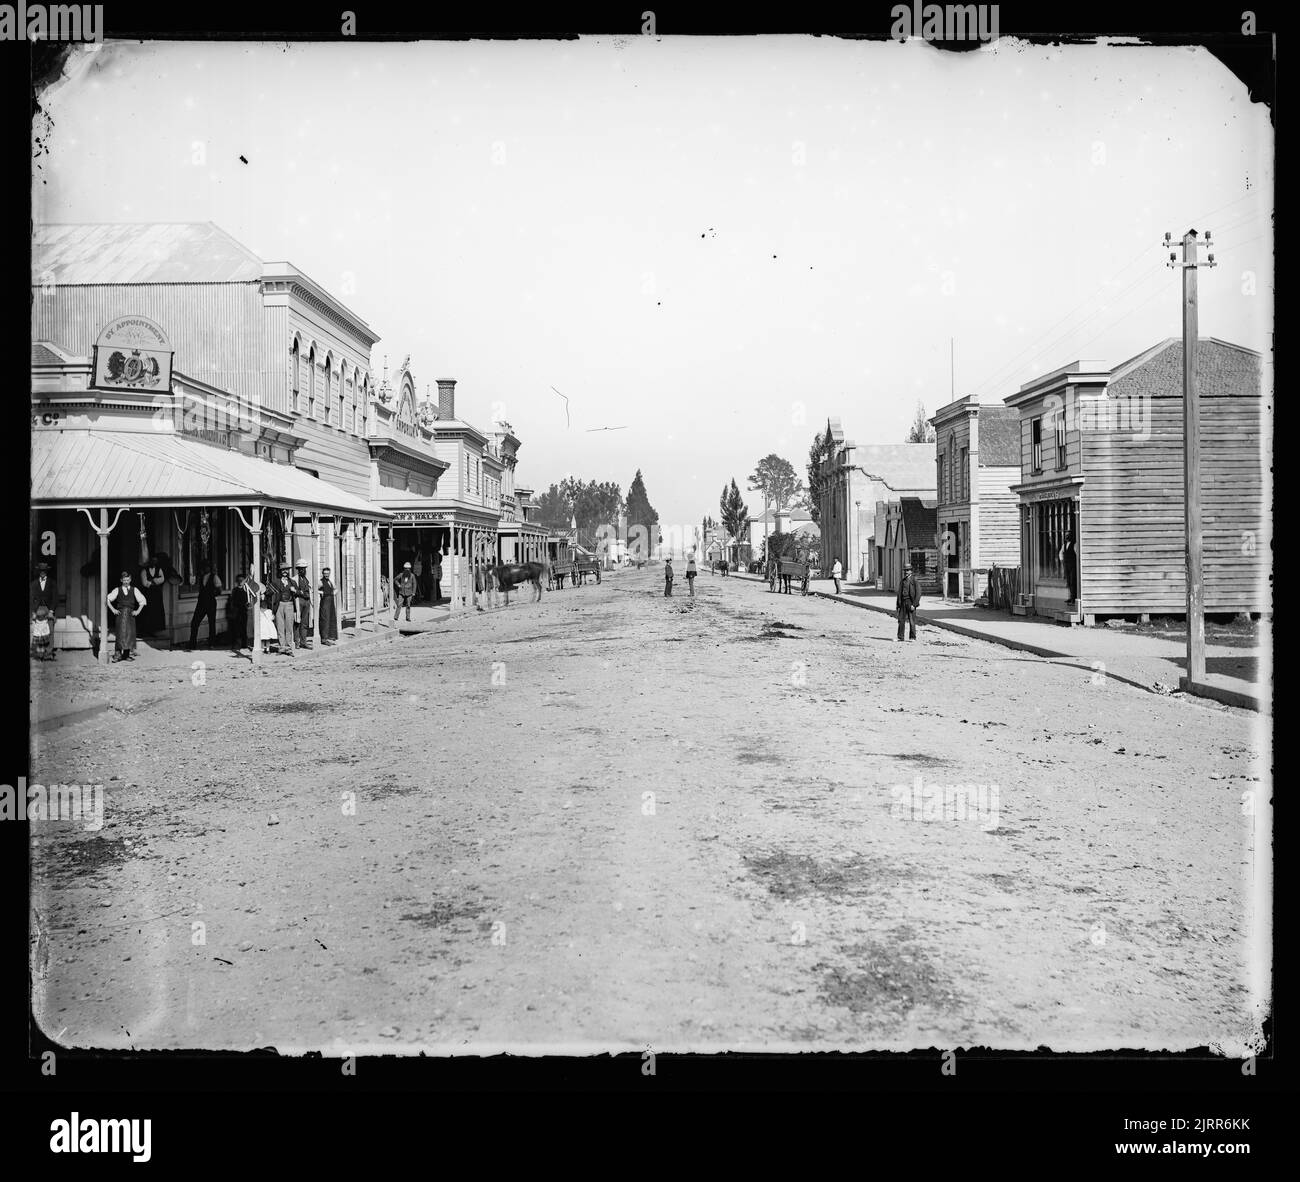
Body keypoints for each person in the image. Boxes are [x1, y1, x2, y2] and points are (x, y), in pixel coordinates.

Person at [106, 571, 147, 661]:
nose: (126, 582)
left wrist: (137, 611)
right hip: (120, 615)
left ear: (130, 580)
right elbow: (108, 599)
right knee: (120, 635)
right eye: (124, 580)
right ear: (121, 580)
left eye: (128, 580)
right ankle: (117, 655)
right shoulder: (117, 590)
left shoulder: (134, 590)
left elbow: (142, 601)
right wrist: (113, 610)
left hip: (130, 615)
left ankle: (126, 655)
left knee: (129, 634)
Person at [188, 562, 223, 650]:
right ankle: (192, 643)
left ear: (209, 568)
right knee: (195, 622)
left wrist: (212, 595)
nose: (205, 569)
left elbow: (219, 589)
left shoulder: (214, 576)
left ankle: (212, 643)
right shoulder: (200, 577)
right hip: (201, 602)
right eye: (204, 567)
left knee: (211, 623)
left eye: (206, 567)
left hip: (210, 602)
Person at [137, 554, 168, 635]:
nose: (153, 563)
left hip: (157, 594)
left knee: (156, 611)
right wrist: (151, 583)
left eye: (155, 561)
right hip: (147, 593)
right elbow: (144, 582)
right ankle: (145, 630)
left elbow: (162, 579)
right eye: (152, 561)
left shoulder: (159, 569)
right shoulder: (144, 570)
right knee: (147, 610)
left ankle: (154, 630)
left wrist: (154, 581)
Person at [273, 565, 299, 656]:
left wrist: (295, 590)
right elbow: (270, 593)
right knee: (280, 627)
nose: (285, 571)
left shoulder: (292, 582)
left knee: (289, 627)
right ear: (280, 571)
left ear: (288, 571)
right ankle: (281, 647)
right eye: (283, 570)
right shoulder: (276, 582)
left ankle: (288, 648)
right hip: (279, 604)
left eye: (286, 570)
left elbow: (299, 593)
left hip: (289, 604)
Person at [896, 561, 921, 642]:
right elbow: (899, 593)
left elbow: (918, 593)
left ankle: (912, 637)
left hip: (911, 602)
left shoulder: (914, 580)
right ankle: (900, 637)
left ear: (911, 571)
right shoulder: (903, 581)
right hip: (903, 602)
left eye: (907, 570)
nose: (906, 572)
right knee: (901, 620)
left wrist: (914, 604)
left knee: (912, 621)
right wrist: (898, 604)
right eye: (905, 570)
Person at [293, 560, 314, 648]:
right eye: (301, 569)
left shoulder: (306, 579)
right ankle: (297, 642)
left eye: (304, 569)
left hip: (306, 602)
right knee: (297, 622)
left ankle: (303, 641)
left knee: (305, 622)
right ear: (298, 569)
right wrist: (301, 593)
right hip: (298, 601)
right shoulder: (294, 579)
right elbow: (294, 591)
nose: (302, 571)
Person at [256, 574, 278, 655]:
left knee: (267, 638)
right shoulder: (259, 610)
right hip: (262, 626)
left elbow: (271, 617)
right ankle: (262, 649)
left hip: (267, 626)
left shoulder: (268, 610)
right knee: (262, 638)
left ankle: (267, 649)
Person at [228, 573, 250, 652]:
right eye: (239, 580)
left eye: (242, 580)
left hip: (243, 610)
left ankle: (244, 645)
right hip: (236, 611)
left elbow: (249, 600)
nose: (240, 582)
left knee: (243, 628)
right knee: (235, 628)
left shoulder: (246, 590)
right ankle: (234, 644)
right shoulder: (234, 590)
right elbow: (232, 601)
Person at [318, 566, 339, 644]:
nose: (326, 575)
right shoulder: (320, 582)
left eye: (328, 573)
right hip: (324, 603)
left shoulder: (330, 581)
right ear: (322, 574)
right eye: (325, 573)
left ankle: (331, 636)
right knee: (325, 619)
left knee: (331, 618)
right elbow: (314, 590)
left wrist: (334, 592)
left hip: (331, 602)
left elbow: (336, 588)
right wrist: (321, 592)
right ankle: (324, 638)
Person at [1063, 530, 1079, 603]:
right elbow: (1061, 552)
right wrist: (1062, 561)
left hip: (1073, 565)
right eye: (1066, 535)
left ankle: (1073, 598)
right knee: (1069, 581)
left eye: (1068, 535)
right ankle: (1070, 597)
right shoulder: (1064, 544)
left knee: (1073, 581)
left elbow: (1077, 554)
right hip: (1066, 565)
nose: (1066, 536)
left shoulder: (1074, 544)